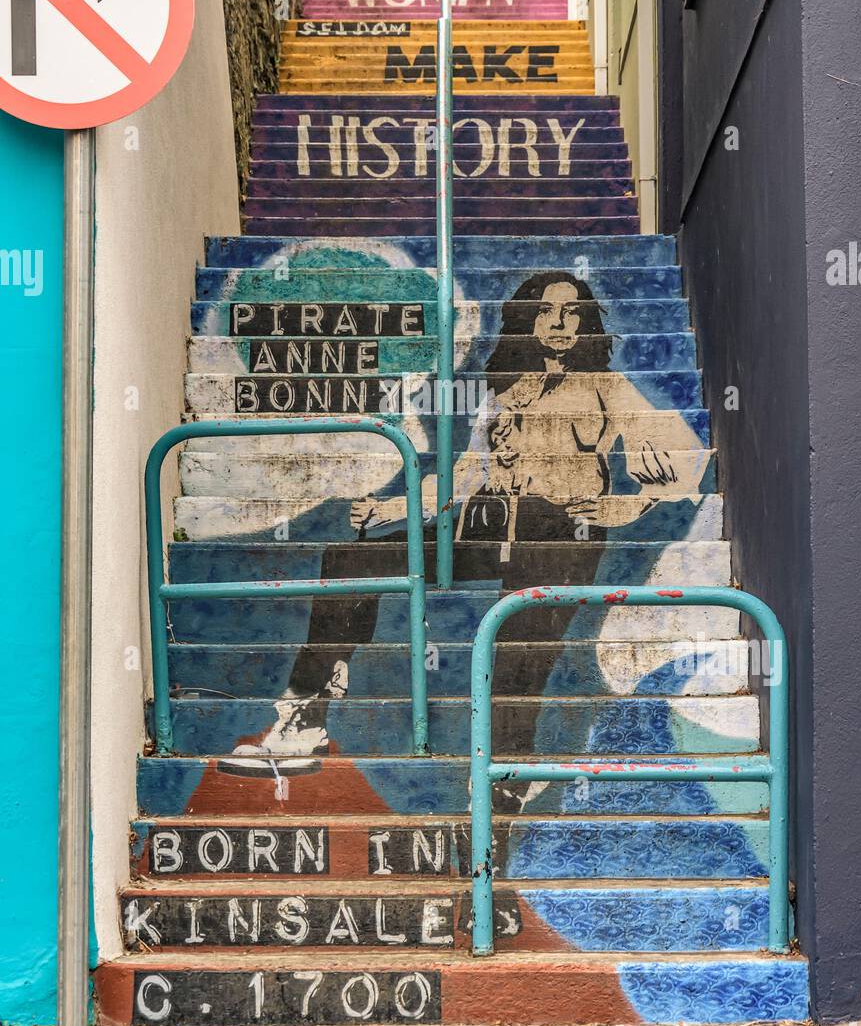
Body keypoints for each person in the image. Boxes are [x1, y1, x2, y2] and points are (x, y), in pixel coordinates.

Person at [226, 272, 709, 766]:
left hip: (562, 533)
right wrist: (392, 509)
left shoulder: (607, 386)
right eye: (546, 310)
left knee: (519, 649)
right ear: (527, 321)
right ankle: (306, 716)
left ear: (585, 323)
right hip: (491, 520)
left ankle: (503, 778)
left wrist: (629, 505)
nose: (560, 322)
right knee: (353, 559)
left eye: (572, 311)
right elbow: (464, 476)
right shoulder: (504, 392)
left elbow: (689, 455)